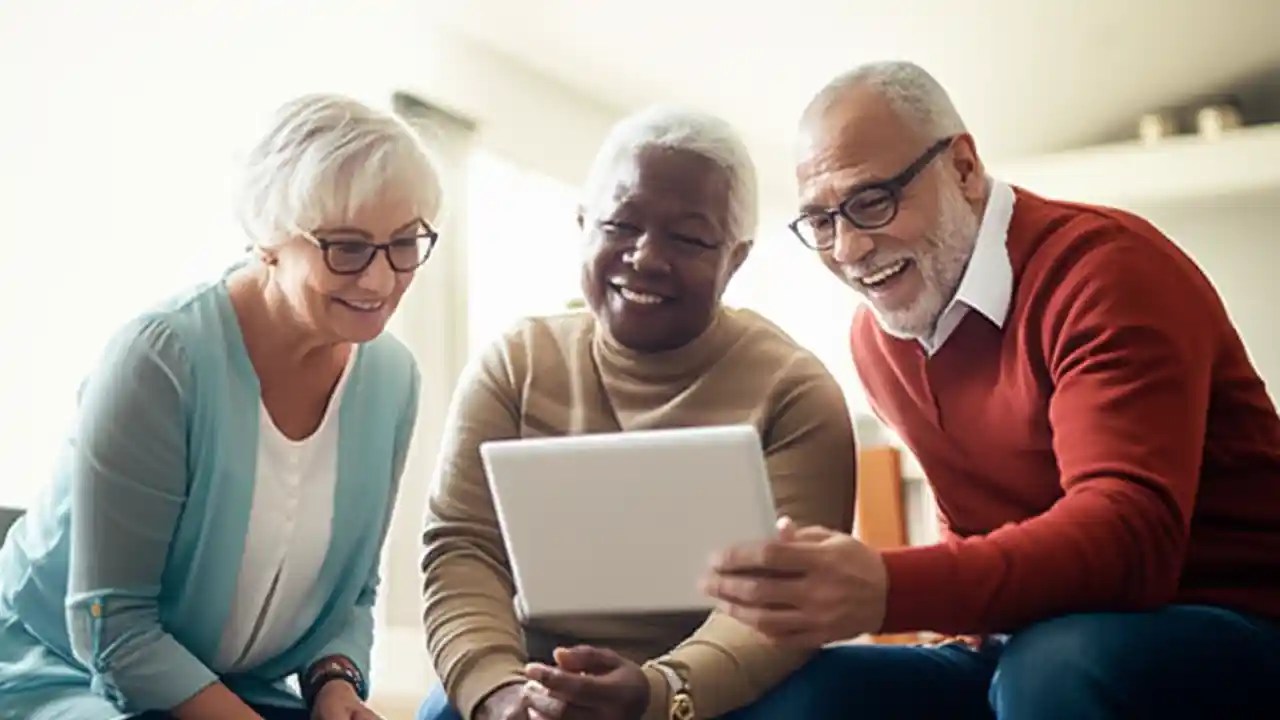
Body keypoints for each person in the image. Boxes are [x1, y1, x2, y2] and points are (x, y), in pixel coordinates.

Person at [701, 60, 1280, 718]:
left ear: (965, 170)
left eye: (871, 202)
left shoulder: (1104, 274)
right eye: (821, 222)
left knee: (1053, 667)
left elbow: (1132, 539)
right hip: (1028, 643)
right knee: (806, 698)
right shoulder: (880, 337)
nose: (850, 248)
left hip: (1234, 623)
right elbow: (975, 524)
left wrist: (887, 587)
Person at [0, 93, 442, 720]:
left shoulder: (394, 379)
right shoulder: (163, 358)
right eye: (346, 247)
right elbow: (113, 626)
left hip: (234, 690)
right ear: (268, 237)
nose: (379, 280)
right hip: (58, 672)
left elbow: (350, 595)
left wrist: (334, 685)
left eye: (404, 243)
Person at [417, 107, 857, 720]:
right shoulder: (515, 364)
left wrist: (660, 693)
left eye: (689, 238)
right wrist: (497, 694)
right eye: (621, 225)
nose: (647, 258)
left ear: (736, 259)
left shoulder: (794, 391)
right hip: (536, 679)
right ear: (582, 226)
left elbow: (785, 604)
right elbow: (463, 549)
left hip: (715, 692)